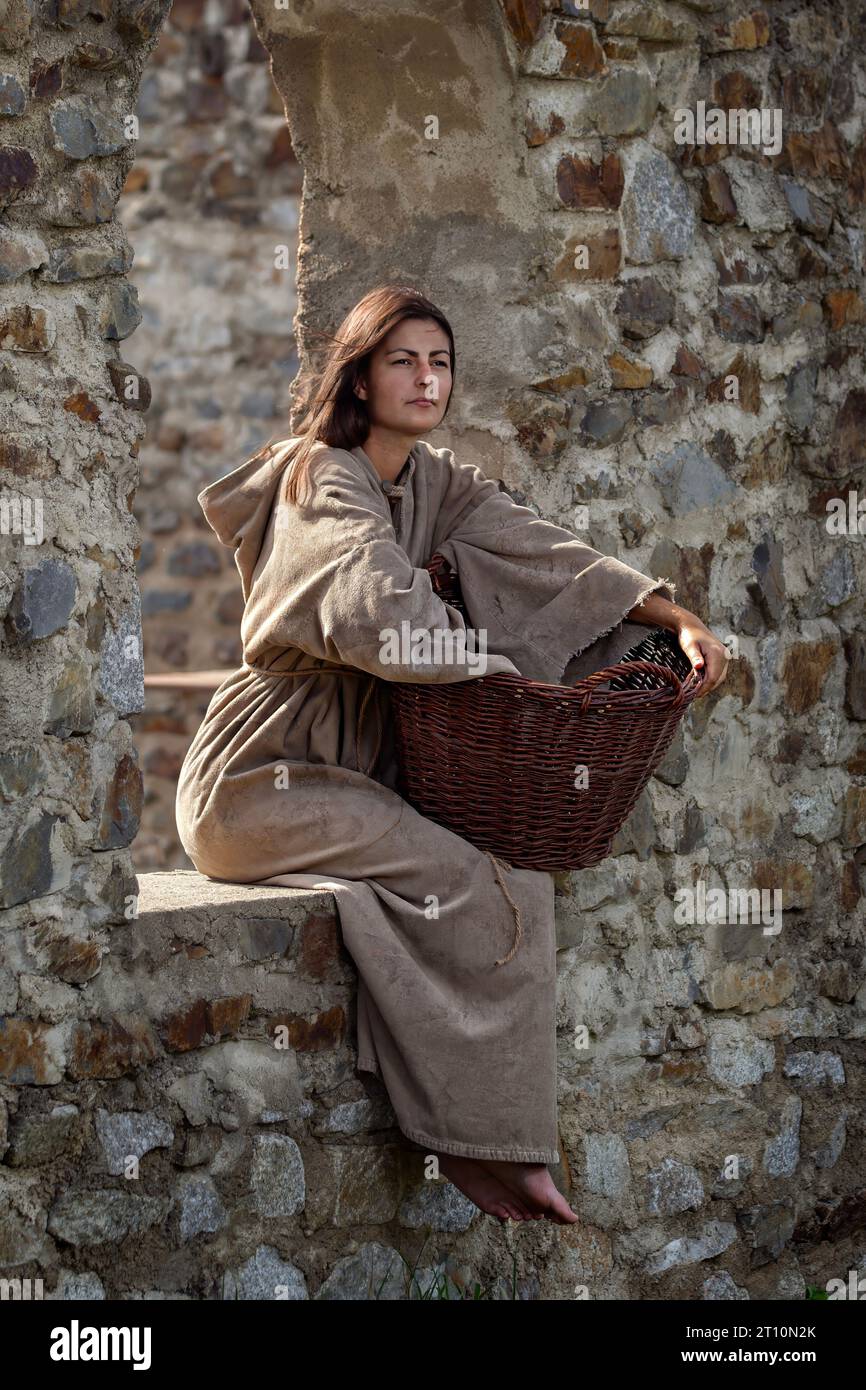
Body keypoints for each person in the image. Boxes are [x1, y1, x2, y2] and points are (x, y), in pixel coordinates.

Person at [175, 285, 730, 1225]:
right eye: (403, 360)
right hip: (262, 776)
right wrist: (500, 671)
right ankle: (473, 1147)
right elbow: (381, 613)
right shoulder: (322, 476)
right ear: (360, 372)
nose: (427, 378)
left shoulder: (437, 483)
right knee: (464, 880)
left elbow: (549, 557)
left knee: (513, 878)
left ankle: (489, 1138)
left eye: (440, 361)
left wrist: (673, 617)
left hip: (357, 771)